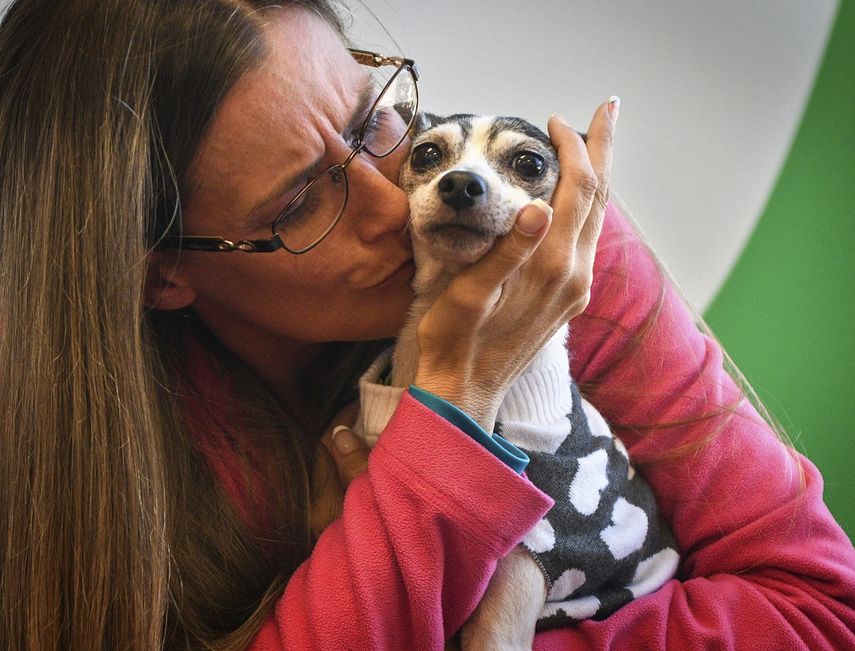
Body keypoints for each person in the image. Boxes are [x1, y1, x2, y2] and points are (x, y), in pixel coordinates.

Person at [0, 1, 852, 649]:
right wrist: (456, 394)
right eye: (302, 199)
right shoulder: (83, 455)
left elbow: (816, 607)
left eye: (374, 121)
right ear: (161, 272)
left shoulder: (543, 238)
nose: (395, 199)